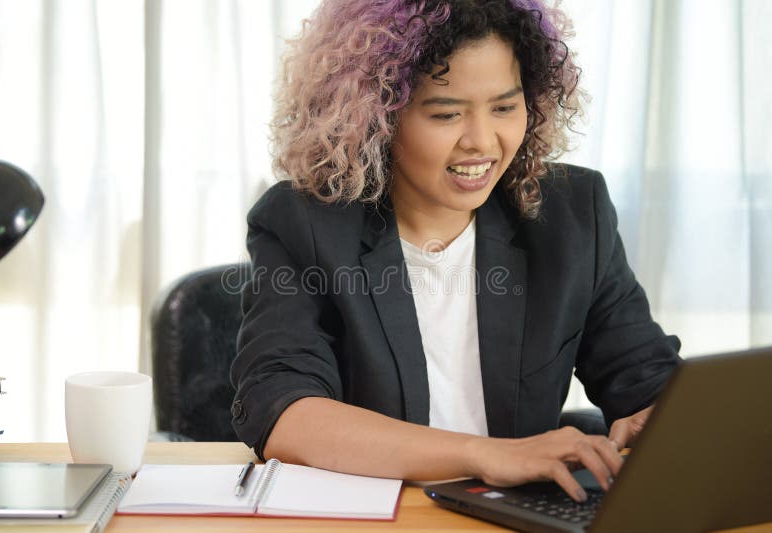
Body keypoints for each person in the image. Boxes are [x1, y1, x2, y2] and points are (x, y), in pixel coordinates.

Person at [230, 0, 681, 503]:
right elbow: (283, 413)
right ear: (375, 115)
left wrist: (658, 418)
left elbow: (647, 378)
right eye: (447, 114)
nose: (483, 141)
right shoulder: (304, 223)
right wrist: (482, 454)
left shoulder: (572, 216)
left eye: (506, 108)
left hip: (520, 518)